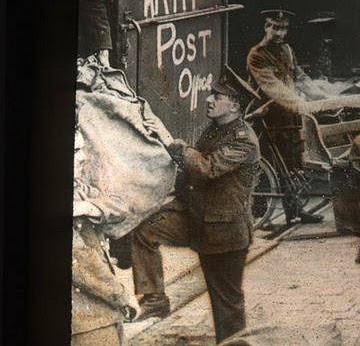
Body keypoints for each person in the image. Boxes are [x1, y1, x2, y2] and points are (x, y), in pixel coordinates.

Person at [132, 66, 261, 342]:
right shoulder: (215, 129)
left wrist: (176, 145)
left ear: (235, 105)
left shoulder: (244, 140)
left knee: (226, 302)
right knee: (145, 230)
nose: (209, 100)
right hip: (197, 220)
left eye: (218, 96)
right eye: (211, 94)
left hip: (225, 234)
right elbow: (196, 162)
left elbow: (207, 168)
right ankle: (154, 299)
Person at [247, 9, 329, 225]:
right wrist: (299, 102)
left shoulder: (286, 50)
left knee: (292, 163)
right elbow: (271, 86)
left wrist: (320, 96)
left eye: (283, 28)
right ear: (266, 28)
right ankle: (257, 216)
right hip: (267, 118)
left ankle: (295, 212)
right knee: (265, 167)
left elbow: (298, 76)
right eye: (274, 27)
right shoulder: (257, 55)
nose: (279, 33)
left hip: (289, 116)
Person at [72, 159, 140, 346]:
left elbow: (122, 206)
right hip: (85, 319)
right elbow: (82, 263)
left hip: (104, 310)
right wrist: (122, 296)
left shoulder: (79, 188)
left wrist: (88, 207)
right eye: (76, 150)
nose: (84, 156)